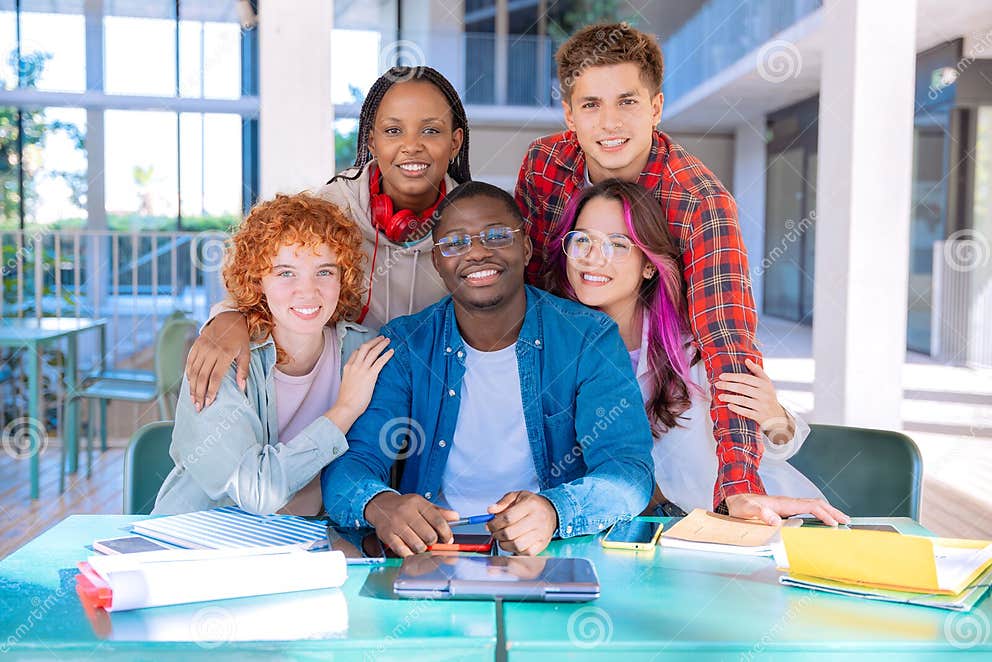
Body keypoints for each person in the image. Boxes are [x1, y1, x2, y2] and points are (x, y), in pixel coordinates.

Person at [515, 22, 792, 523]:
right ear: (569, 114)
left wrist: (739, 485)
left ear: (656, 108)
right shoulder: (544, 165)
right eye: (591, 105)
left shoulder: (699, 202)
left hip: (669, 392)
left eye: (627, 101)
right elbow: (531, 291)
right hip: (570, 386)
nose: (609, 123)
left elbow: (726, 345)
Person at [321, 181, 655, 555]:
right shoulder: (406, 345)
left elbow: (628, 471)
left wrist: (554, 511)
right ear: (437, 261)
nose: (477, 253)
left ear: (525, 247)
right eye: (455, 243)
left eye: (496, 236)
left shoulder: (588, 338)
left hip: (550, 551)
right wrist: (381, 505)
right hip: (435, 554)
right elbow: (351, 464)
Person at [544, 179, 847, 525]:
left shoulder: (694, 349)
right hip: (643, 534)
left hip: (745, 525)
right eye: (583, 240)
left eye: (618, 244)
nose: (594, 258)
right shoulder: (556, 349)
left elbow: (782, 444)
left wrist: (773, 416)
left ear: (648, 264)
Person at [185, 66, 470, 411]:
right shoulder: (332, 208)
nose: (411, 146)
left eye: (430, 130)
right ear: (372, 141)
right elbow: (267, 275)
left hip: (436, 400)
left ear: (455, 141)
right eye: (393, 130)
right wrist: (228, 317)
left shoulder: (476, 222)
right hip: (339, 403)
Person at [153, 193, 393, 516]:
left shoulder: (362, 351)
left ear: (342, 276)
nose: (307, 291)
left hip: (304, 546)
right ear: (258, 280)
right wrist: (345, 410)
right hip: (197, 548)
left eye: (324, 271)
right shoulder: (222, 358)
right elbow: (257, 490)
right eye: (285, 273)